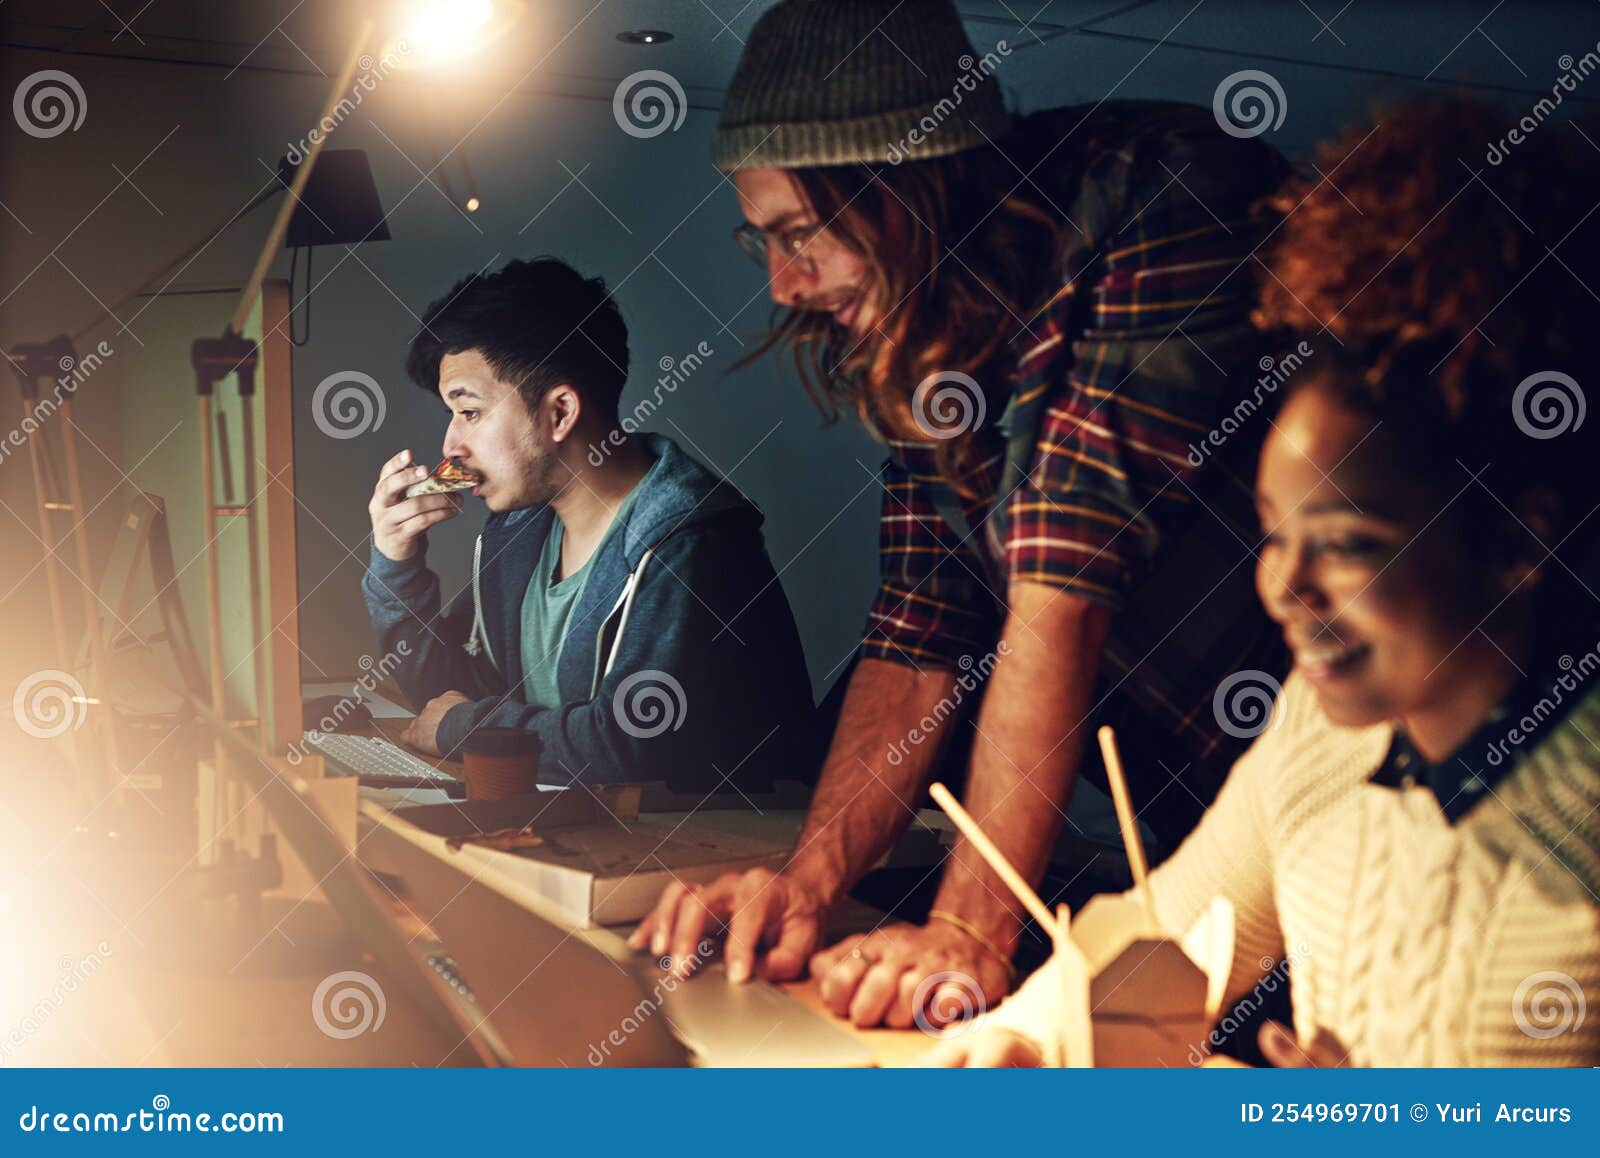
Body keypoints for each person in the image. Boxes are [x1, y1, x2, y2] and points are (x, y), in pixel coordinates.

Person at [633, 0, 1290, 1026]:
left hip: (1388, 777)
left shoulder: (1163, 192)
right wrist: (806, 888)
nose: (783, 283)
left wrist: (969, 934)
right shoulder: (925, 316)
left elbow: (1061, 585)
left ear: (907, 189)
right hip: (1199, 828)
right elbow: (917, 631)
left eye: (801, 233)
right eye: (762, 239)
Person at [930, 97, 1600, 1067]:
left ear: (1513, 536)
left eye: (1344, 542)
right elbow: (1163, 928)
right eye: (1272, 534)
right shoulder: (1314, 736)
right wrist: (1019, 1035)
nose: (1284, 587)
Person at [361, 257, 815, 792]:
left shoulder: (687, 539)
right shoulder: (517, 535)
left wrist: (468, 728)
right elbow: (442, 701)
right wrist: (397, 565)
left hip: (720, 858)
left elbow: (631, 744)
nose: (450, 447)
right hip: (584, 844)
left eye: (471, 412)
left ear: (559, 413)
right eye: (451, 415)